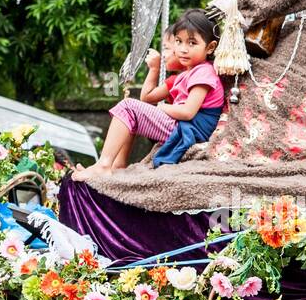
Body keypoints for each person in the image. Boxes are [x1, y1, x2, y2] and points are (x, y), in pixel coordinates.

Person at [74, 9, 224, 180]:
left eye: (192, 43)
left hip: (189, 130)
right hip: (182, 126)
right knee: (130, 112)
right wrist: (154, 68)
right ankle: (116, 166)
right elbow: (146, 98)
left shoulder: (204, 72)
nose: (183, 49)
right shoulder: (184, 75)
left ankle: (103, 165)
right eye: (178, 41)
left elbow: (188, 112)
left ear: (210, 47)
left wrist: (163, 107)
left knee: (128, 107)